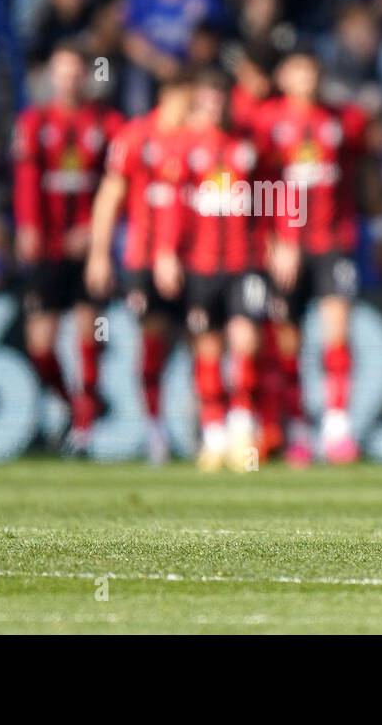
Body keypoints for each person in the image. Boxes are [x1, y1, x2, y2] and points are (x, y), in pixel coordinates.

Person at [252, 52, 369, 464]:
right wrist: (274, 243)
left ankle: (337, 427)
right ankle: (298, 428)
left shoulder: (344, 119)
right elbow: (259, 185)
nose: (307, 76)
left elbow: (360, 175)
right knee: (288, 342)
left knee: (336, 334)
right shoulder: (267, 122)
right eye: (298, 68)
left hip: (334, 241)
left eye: (312, 67)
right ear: (282, 76)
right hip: (286, 249)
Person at [12, 45, 124, 456]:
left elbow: (119, 186)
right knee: (41, 345)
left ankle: (85, 429)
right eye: (60, 72)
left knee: (88, 333)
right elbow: (26, 181)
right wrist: (26, 228)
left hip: (89, 248)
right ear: (50, 79)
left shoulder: (107, 124)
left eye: (76, 72)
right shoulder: (34, 123)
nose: (68, 80)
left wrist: (96, 235)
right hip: (47, 248)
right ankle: (72, 403)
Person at [156, 70, 266, 472]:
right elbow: (171, 204)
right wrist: (166, 252)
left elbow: (271, 193)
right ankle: (214, 435)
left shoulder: (246, 145)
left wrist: (278, 238)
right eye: (208, 94)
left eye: (222, 94)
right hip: (200, 265)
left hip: (244, 263)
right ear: (199, 99)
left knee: (246, 340)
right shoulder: (184, 147)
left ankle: (242, 429)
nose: (215, 102)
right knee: (207, 348)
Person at [86, 76, 193, 463]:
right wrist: (99, 253)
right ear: (168, 97)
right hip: (144, 260)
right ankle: (156, 430)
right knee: (154, 342)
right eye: (188, 100)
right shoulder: (135, 138)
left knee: (202, 342)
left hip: (196, 259)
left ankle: (206, 427)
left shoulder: (199, 139)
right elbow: (111, 194)